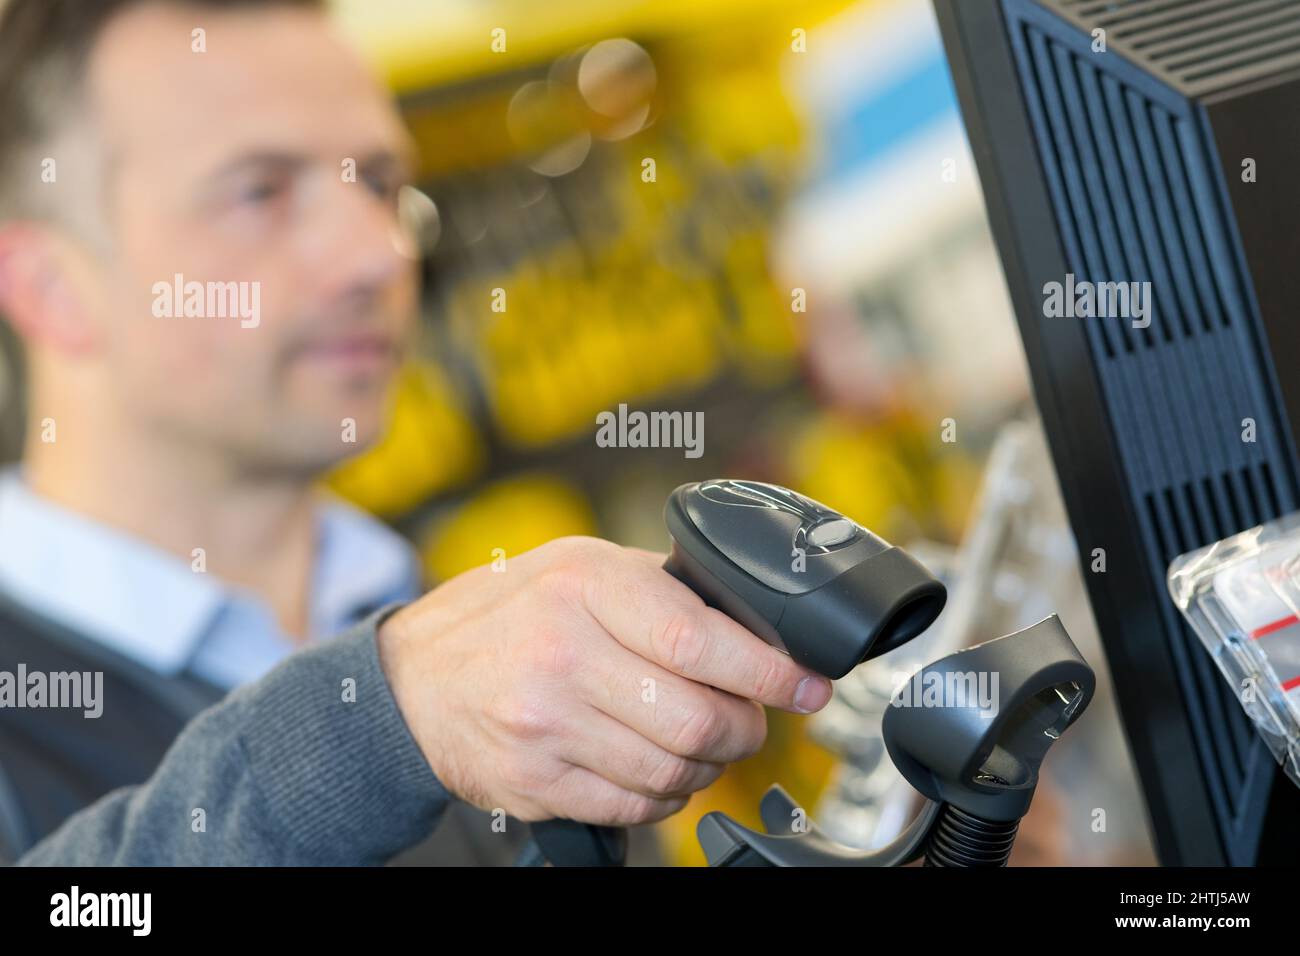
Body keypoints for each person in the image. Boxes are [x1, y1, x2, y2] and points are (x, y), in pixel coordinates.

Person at [0, 0, 834, 864]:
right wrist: (378, 720)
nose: (379, 255)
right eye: (259, 190)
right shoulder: (425, 679)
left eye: (380, 183)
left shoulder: (467, 640)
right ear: (52, 287)